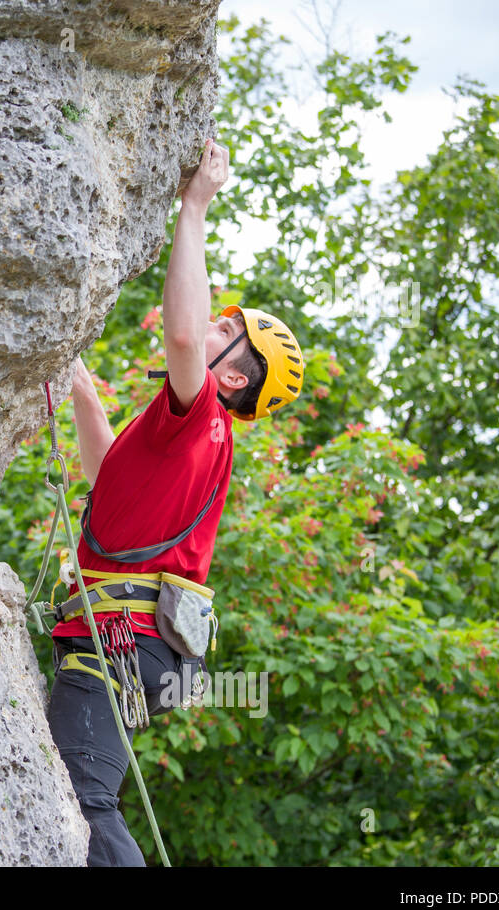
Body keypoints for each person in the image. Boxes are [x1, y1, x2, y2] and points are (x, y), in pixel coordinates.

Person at [46, 138, 306, 866]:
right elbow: (111, 488)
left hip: (126, 641)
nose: (212, 329)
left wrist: (194, 207)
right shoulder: (183, 437)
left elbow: (183, 332)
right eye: (224, 320)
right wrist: (78, 385)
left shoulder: (202, 418)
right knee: (78, 790)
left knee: (83, 797)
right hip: (142, 645)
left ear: (229, 379)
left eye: (231, 333)